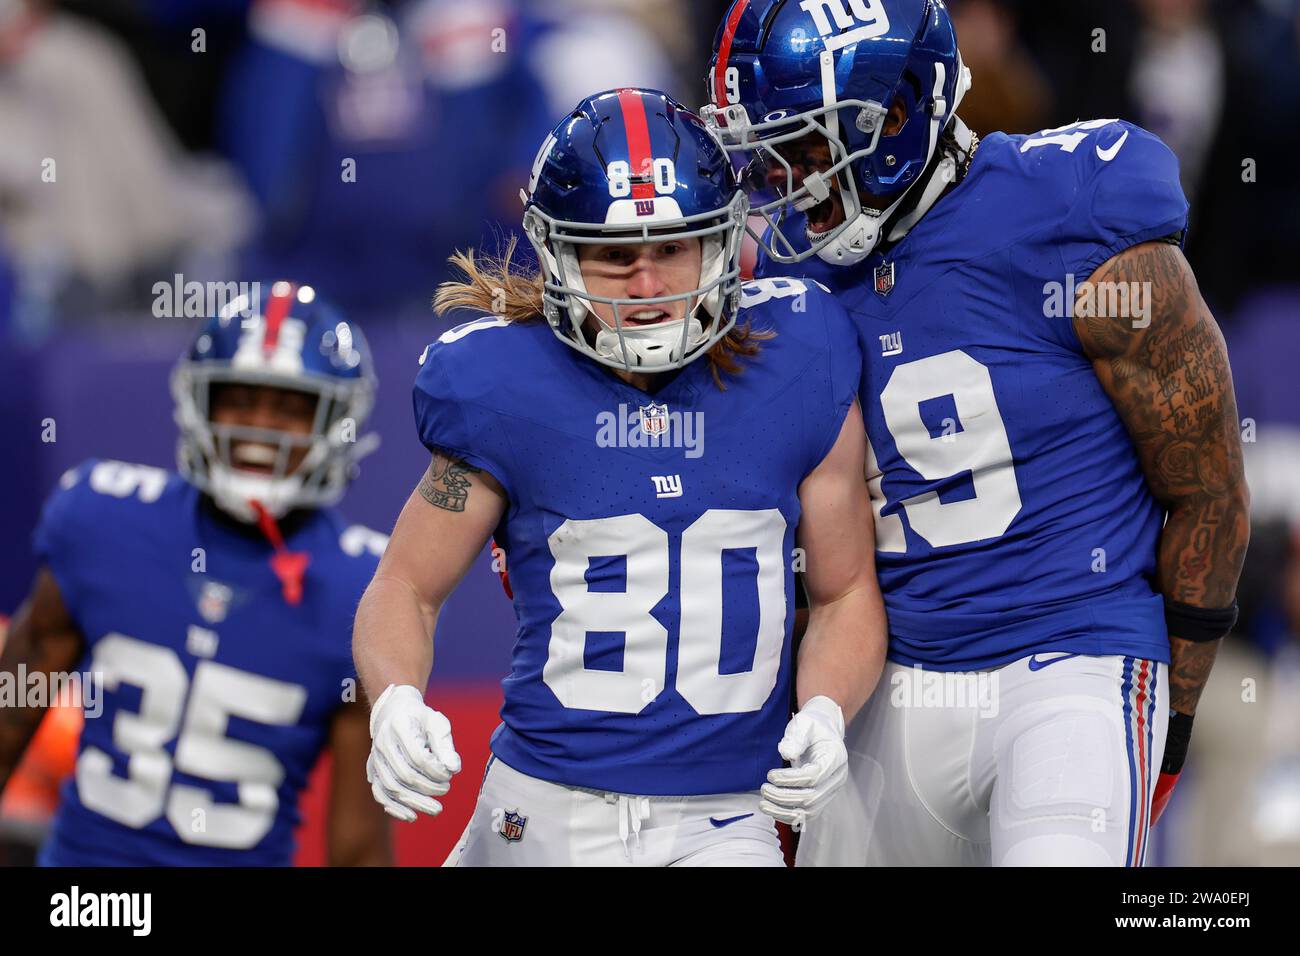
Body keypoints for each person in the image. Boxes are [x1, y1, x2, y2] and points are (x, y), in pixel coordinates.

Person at [703, 0, 1248, 866]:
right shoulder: (780, 275)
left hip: (1073, 659)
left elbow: (1207, 487)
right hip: (890, 682)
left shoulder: (1076, 208)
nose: (785, 179)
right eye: (768, 149)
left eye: (807, 146)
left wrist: (1171, 720)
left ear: (898, 113)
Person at [353, 88, 888, 866]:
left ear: (720, 241)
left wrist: (829, 710)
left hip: (724, 820)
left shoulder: (797, 358)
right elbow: (405, 585)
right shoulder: (500, 385)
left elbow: (844, 595)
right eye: (615, 255)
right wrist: (395, 699)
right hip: (539, 811)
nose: (648, 287)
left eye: (672, 247)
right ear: (558, 252)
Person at [0, 281, 393, 865]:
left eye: (289, 407)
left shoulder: (365, 593)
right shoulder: (101, 521)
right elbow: (11, 716)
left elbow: (358, 849)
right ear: (197, 402)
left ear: (337, 422)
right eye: (240, 398)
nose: (259, 429)